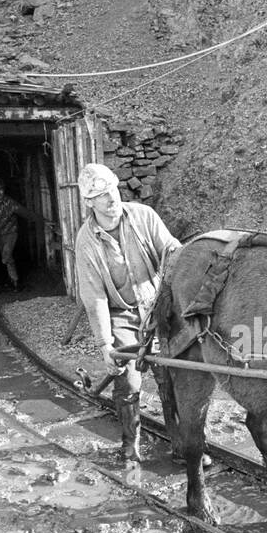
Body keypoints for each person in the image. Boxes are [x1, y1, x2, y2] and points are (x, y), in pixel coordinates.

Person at [73, 163, 182, 463]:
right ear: (89, 202)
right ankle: (130, 444)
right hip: (120, 312)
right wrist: (106, 345)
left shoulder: (143, 217)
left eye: (113, 190)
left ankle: (182, 444)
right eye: (102, 195)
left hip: (157, 307)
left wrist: (177, 258)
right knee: (128, 381)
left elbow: (170, 249)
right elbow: (94, 297)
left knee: (170, 377)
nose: (112, 199)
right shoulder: (86, 242)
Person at [0, 177, 42, 291]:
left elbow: (25, 213)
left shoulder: (10, 202)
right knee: (7, 258)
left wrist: (41, 220)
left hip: (11, 233)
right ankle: (15, 282)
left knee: (6, 256)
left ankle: (14, 279)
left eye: (1, 189)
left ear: (4, 190)